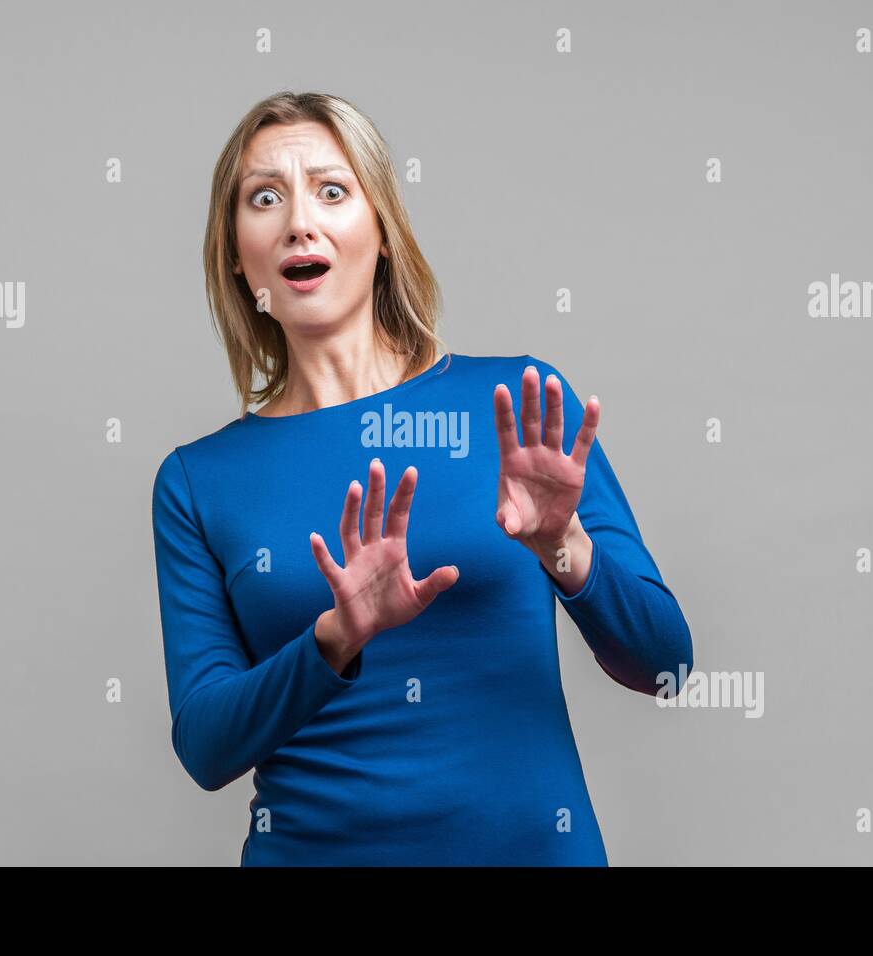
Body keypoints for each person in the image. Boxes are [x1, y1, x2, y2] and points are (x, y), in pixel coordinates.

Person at [152, 91, 693, 865]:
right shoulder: (197, 481)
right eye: (265, 197)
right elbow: (205, 746)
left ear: (381, 233)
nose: (300, 221)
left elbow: (667, 668)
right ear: (237, 253)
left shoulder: (517, 404)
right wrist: (335, 638)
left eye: (332, 192)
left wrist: (563, 545)